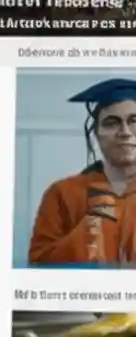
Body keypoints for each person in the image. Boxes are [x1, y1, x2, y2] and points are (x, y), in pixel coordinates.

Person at [29, 78, 136, 266]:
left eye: (134, 121)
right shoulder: (62, 193)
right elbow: (38, 264)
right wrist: (90, 230)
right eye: (111, 123)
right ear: (96, 134)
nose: (125, 132)